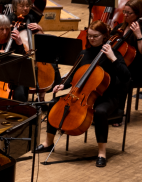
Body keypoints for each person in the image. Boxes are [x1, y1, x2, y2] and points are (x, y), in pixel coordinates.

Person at [36, 21, 130, 168]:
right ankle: (48, 142)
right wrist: (63, 84)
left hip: (108, 96)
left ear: (105, 36)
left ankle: (102, 152)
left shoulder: (114, 53)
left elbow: (126, 77)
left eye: (95, 36)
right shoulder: (83, 54)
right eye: (89, 36)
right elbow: (74, 76)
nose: (91, 39)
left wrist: (113, 58)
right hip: (84, 94)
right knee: (54, 102)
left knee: (100, 111)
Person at [119, 0, 142, 87]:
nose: (125, 15)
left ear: (138, 14)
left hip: (138, 69)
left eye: (129, 13)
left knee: (117, 79)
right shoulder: (121, 27)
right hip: (123, 65)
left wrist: (138, 35)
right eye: (124, 11)